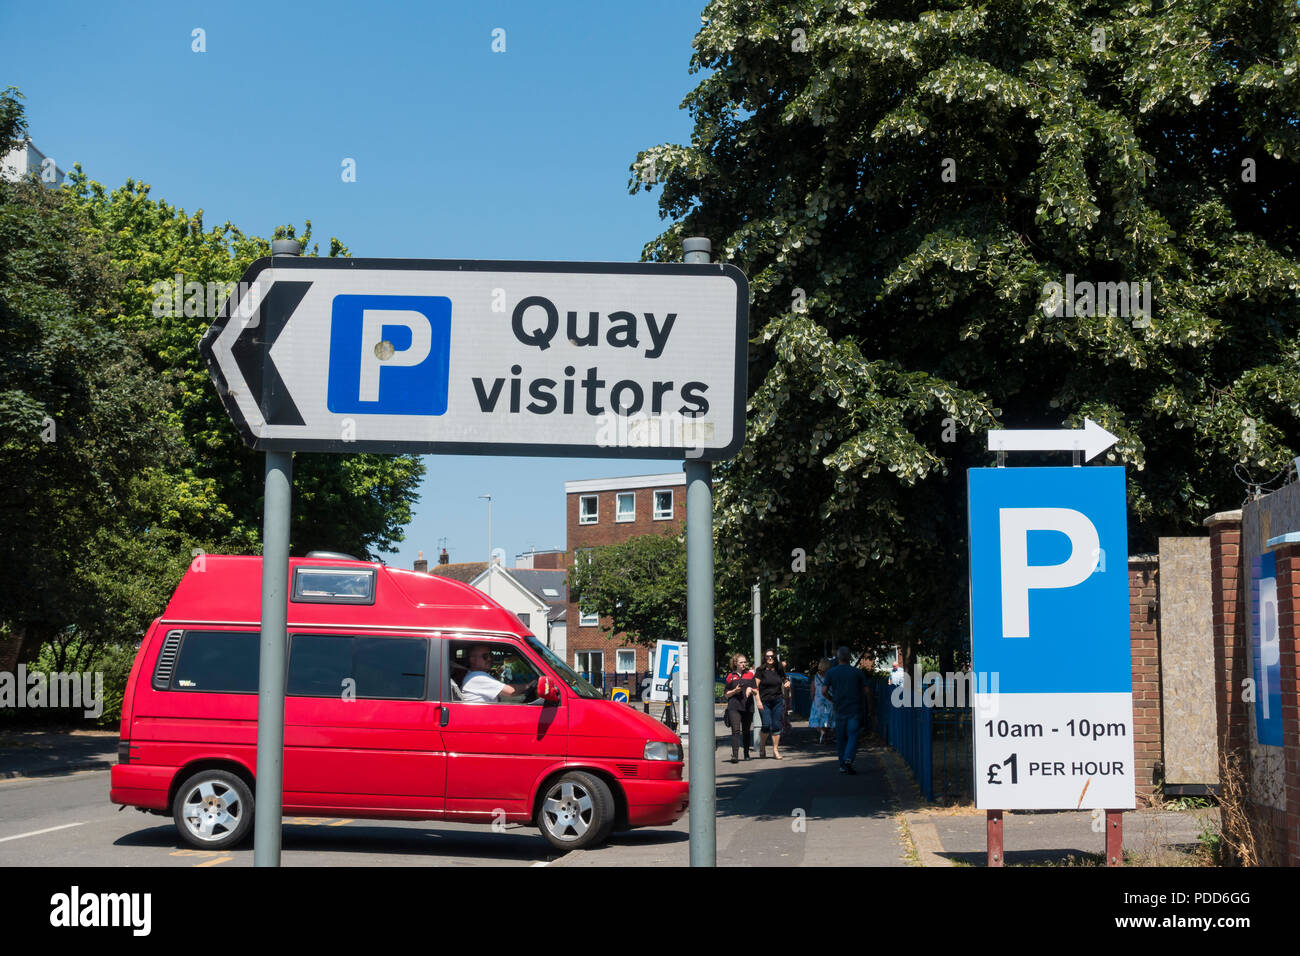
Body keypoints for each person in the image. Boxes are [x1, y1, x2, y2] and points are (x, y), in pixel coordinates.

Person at [823, 646, 865, 773]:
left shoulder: (831, 672)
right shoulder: (857, 672)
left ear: (839, 658)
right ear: (849, 657)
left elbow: (824, 691)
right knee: (853, 735)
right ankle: (849, 758)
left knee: (840, 738)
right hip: (854, 708)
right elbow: (867, 691)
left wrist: (832, 699)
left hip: (839, 708)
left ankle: (842, 764)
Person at [460, 644, 537, 703]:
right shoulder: (477, 677)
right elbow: (511, 691)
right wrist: (530, 685)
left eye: (490, 655)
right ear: (472, 660)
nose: (490, 659)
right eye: (485, 656)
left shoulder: (474, 675)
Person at [755, 650, 790, 759]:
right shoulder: (760, 670)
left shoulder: (779, 669)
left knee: (776, 725)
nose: (770, 658)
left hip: (777, 700)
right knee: (766, 724)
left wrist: (787, 683)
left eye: (772, 656)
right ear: (764, 658)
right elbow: (755, 687)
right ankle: (762, 746)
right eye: (767, 656)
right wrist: (758, 701)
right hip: (764, 701)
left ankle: (775, 750)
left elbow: (785, 680)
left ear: (775, 658)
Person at [723, 653, 758, 762]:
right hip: (734, 706)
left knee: (746, 731)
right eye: (741, 662)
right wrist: (735, 691)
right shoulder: (730, 676)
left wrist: (750, 690)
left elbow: (756, 691)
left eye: (744, 662)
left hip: (747, 706)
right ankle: (735, 755)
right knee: (736, 730)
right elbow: (726, 694)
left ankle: (746, 753)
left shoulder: (750, 675)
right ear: (735, 663)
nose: (743, 664)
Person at [808, 659, 835, 744]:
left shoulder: (816, 677)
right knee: (829, 717)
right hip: (829, 699)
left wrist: (813, 699)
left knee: (819, 718)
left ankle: (823, 733)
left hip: (818, 700)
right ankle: (830, 734)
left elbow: (812, 690)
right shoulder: (831, 676)